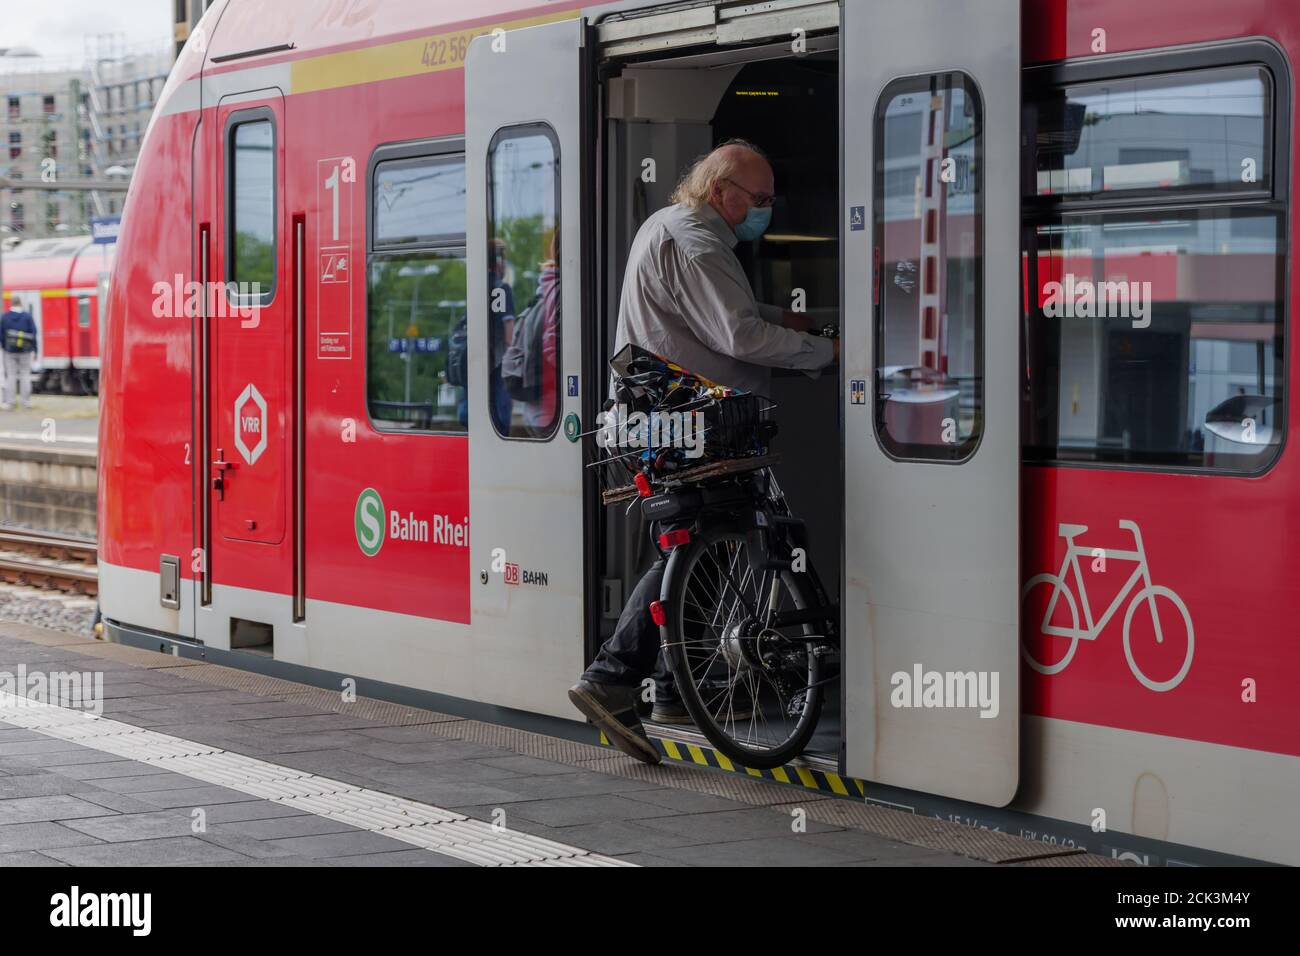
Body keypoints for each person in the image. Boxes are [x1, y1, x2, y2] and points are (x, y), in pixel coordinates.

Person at [568, 140, 838, 765]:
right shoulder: (697, 238)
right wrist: (829, 355)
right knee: (699, 542)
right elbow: (736, 334)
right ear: (723, 193)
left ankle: (669, 688)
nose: (765, 210)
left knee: (698, 544)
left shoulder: (675, 228)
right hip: (693, 422)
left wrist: (793, 321)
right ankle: (613, 676)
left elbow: (722, 313)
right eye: (760, 199)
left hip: (678, 419)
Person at [487, 238, 517, 434]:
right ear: (498, 261)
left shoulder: (475, 287)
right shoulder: (502, 288)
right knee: (501, 420)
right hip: (498, 364)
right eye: (503, 258)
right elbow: (509, 336)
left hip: (480, 364)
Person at [0, 296, 38, 411]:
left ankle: (11, 402)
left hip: (9, 351)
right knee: (25, 376)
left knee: (11, 376)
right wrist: (35, 350)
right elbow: (34, 334)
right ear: (20, 303)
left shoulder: (5, 317)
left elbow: (1, 334)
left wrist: (4, 347)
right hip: (25, 352)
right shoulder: (27, 316)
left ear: (11, 304)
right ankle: (25, 402)